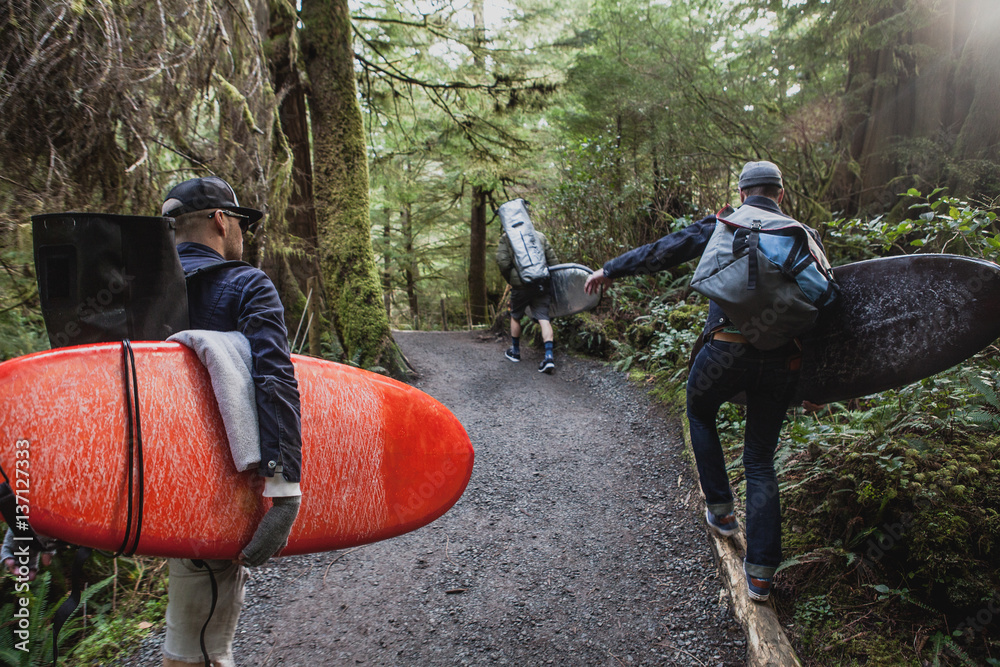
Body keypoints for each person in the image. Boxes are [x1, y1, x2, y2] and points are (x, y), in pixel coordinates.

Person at [585, 161, 824, 602]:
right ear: (781, 194)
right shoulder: (800, 233)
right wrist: (815, 386)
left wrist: (610, 270)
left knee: (699, 409)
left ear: (741, 191)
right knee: (759, 459)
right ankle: (762, 577)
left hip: (725, 351)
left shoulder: (723, 223)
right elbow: (825, 308)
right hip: (780, 361)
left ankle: (721, 510)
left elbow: (664, 250)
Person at [160, 176, 304, 666]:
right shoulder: (246, 283)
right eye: (239, 221)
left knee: (190, 629)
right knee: (201, 648)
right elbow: (274, 378)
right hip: (219, 483)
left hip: (153, 480)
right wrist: (284, 492)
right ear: (222, 221)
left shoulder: (131, 291)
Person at [496, 227, 559, 373]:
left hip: (521, 285)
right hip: (542, 282)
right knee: (544, 317)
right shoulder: (539, 235)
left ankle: (515, 352)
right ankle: (549, 356)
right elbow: (553, 261)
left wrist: (512, 279)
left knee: (516, 315)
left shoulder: (507, 237)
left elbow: (503, 263)